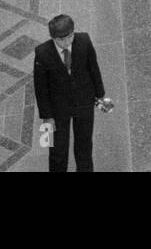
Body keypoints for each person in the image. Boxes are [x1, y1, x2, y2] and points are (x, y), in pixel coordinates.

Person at [32, 14, 106, 172]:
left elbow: (93, 68)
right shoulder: (42, 53)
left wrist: (100, 95)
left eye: (70, 37)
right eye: (61, 39)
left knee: (84, 145)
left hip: (84, 101)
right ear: (53, 38)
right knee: (58, 150)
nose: (67, 42)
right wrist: (47, 116)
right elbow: (41, 88)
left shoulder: (84, 41)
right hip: (58, 108)